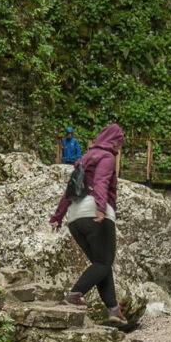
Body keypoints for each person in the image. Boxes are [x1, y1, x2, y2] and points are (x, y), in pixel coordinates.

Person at [50, 122, 129, 327]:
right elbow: (101, 181)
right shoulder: (107, 157)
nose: (119, 147)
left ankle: (113, 310)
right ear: (113, 141)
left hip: (75, 218)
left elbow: (70, 189)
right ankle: (75, 294)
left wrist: (58, 216)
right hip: (94, 213)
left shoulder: (85, 158)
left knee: (101, 264)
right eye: (119, 142)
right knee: (103, 262)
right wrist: (101, 207)